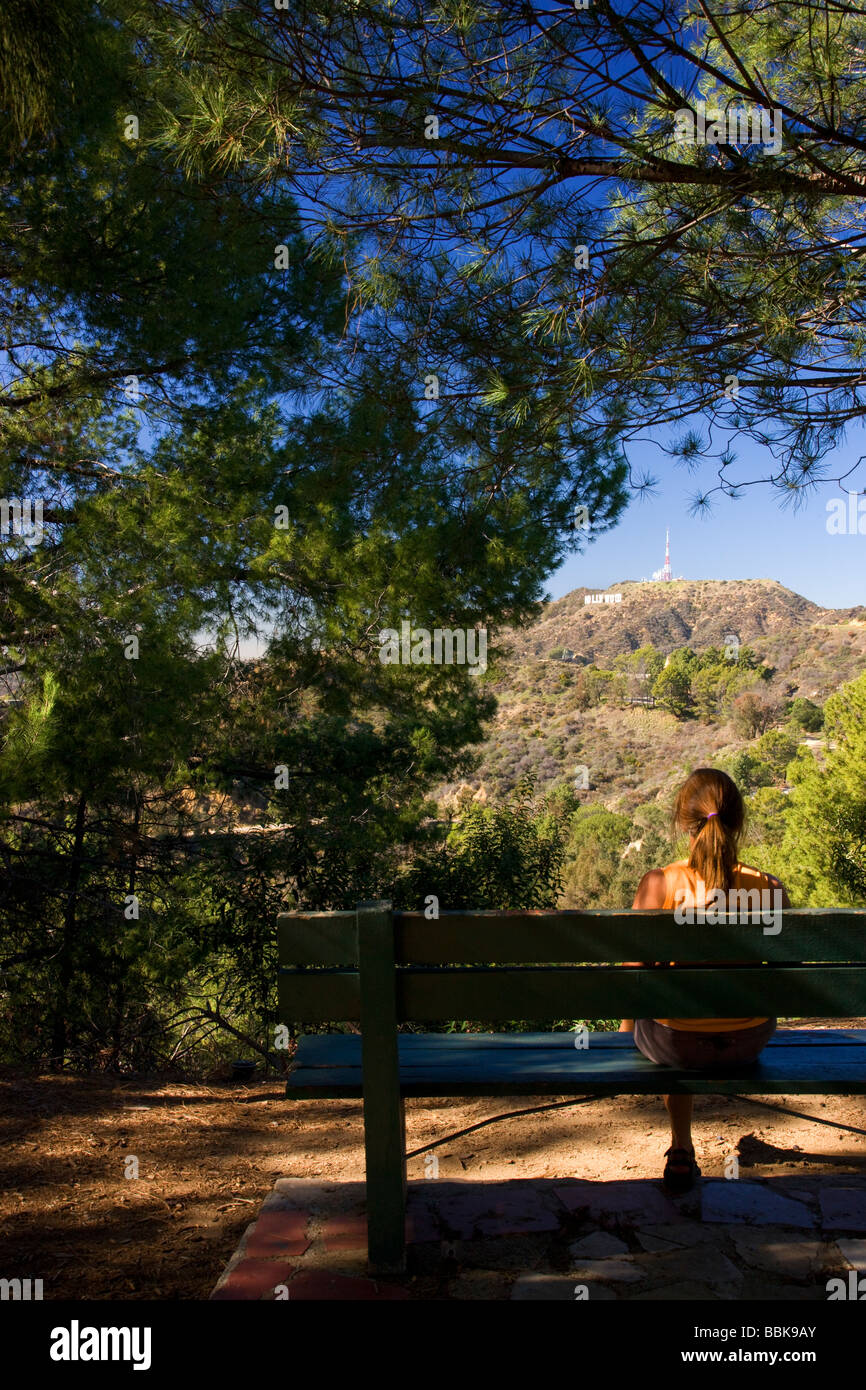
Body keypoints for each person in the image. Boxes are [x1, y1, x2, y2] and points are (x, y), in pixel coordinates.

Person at [619, 767, 791, 1193]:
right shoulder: (769, 887)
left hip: (675, 1045)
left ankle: (681, 1146)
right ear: (737, 820)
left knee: (668, 1019)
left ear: (684, 822)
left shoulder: (661, 883)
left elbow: (632, 977)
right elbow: (787, 971)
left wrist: (625, 1030)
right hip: (749, 1041)